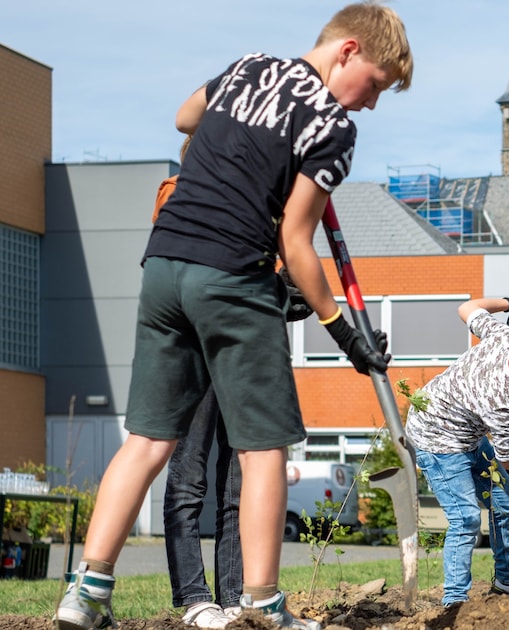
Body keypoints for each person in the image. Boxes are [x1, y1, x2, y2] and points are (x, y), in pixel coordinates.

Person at [53, 3, 412, 629]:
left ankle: (85, 593)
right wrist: (343, 335)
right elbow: (297, 246)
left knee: (145, 441)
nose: (371, 105)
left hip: (164, 266)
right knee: (263, 451)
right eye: (376, 85)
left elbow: (184, 116)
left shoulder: (248, 66)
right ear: (349, 50)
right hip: (231, 276)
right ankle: (265, 607)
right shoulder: (332, 126)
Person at [154, 137, 315, 629]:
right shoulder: (175, 192)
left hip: (236, 356)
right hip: (192, 356)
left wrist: (286, 291)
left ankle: (232, 597)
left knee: (234, 487)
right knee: (188, 478)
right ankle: (193, 598)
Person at [405, 294, 509, 608]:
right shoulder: (503, 402)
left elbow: (467, 308)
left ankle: (508, 579)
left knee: (506, 500)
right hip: (436, 441)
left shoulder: (507, 338)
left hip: (466, 433)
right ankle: (455, 601)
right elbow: (508, 459)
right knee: (466, 519)